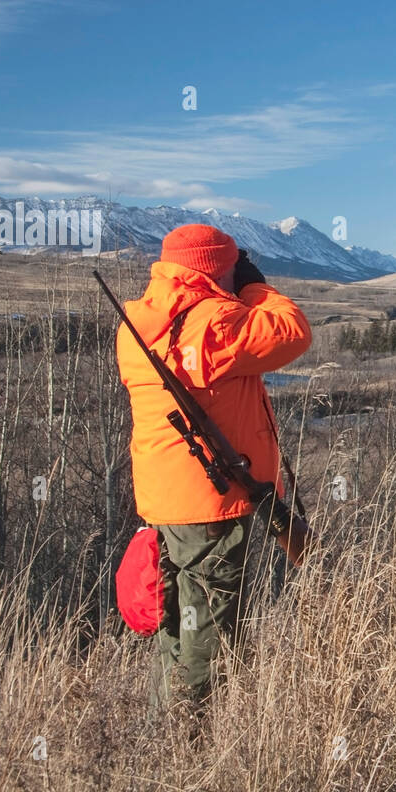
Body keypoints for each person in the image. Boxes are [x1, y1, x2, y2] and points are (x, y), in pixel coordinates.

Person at [115, 223, 312, 720]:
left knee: (177, 623)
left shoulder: (137, 321)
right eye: (230, 264)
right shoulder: (214, 320)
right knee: (211, 626)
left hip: (164, 499)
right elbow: (293, 332)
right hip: (212, 501)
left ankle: (170, 723)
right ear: (216, 267)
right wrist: (255, 285)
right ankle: (196, 735)